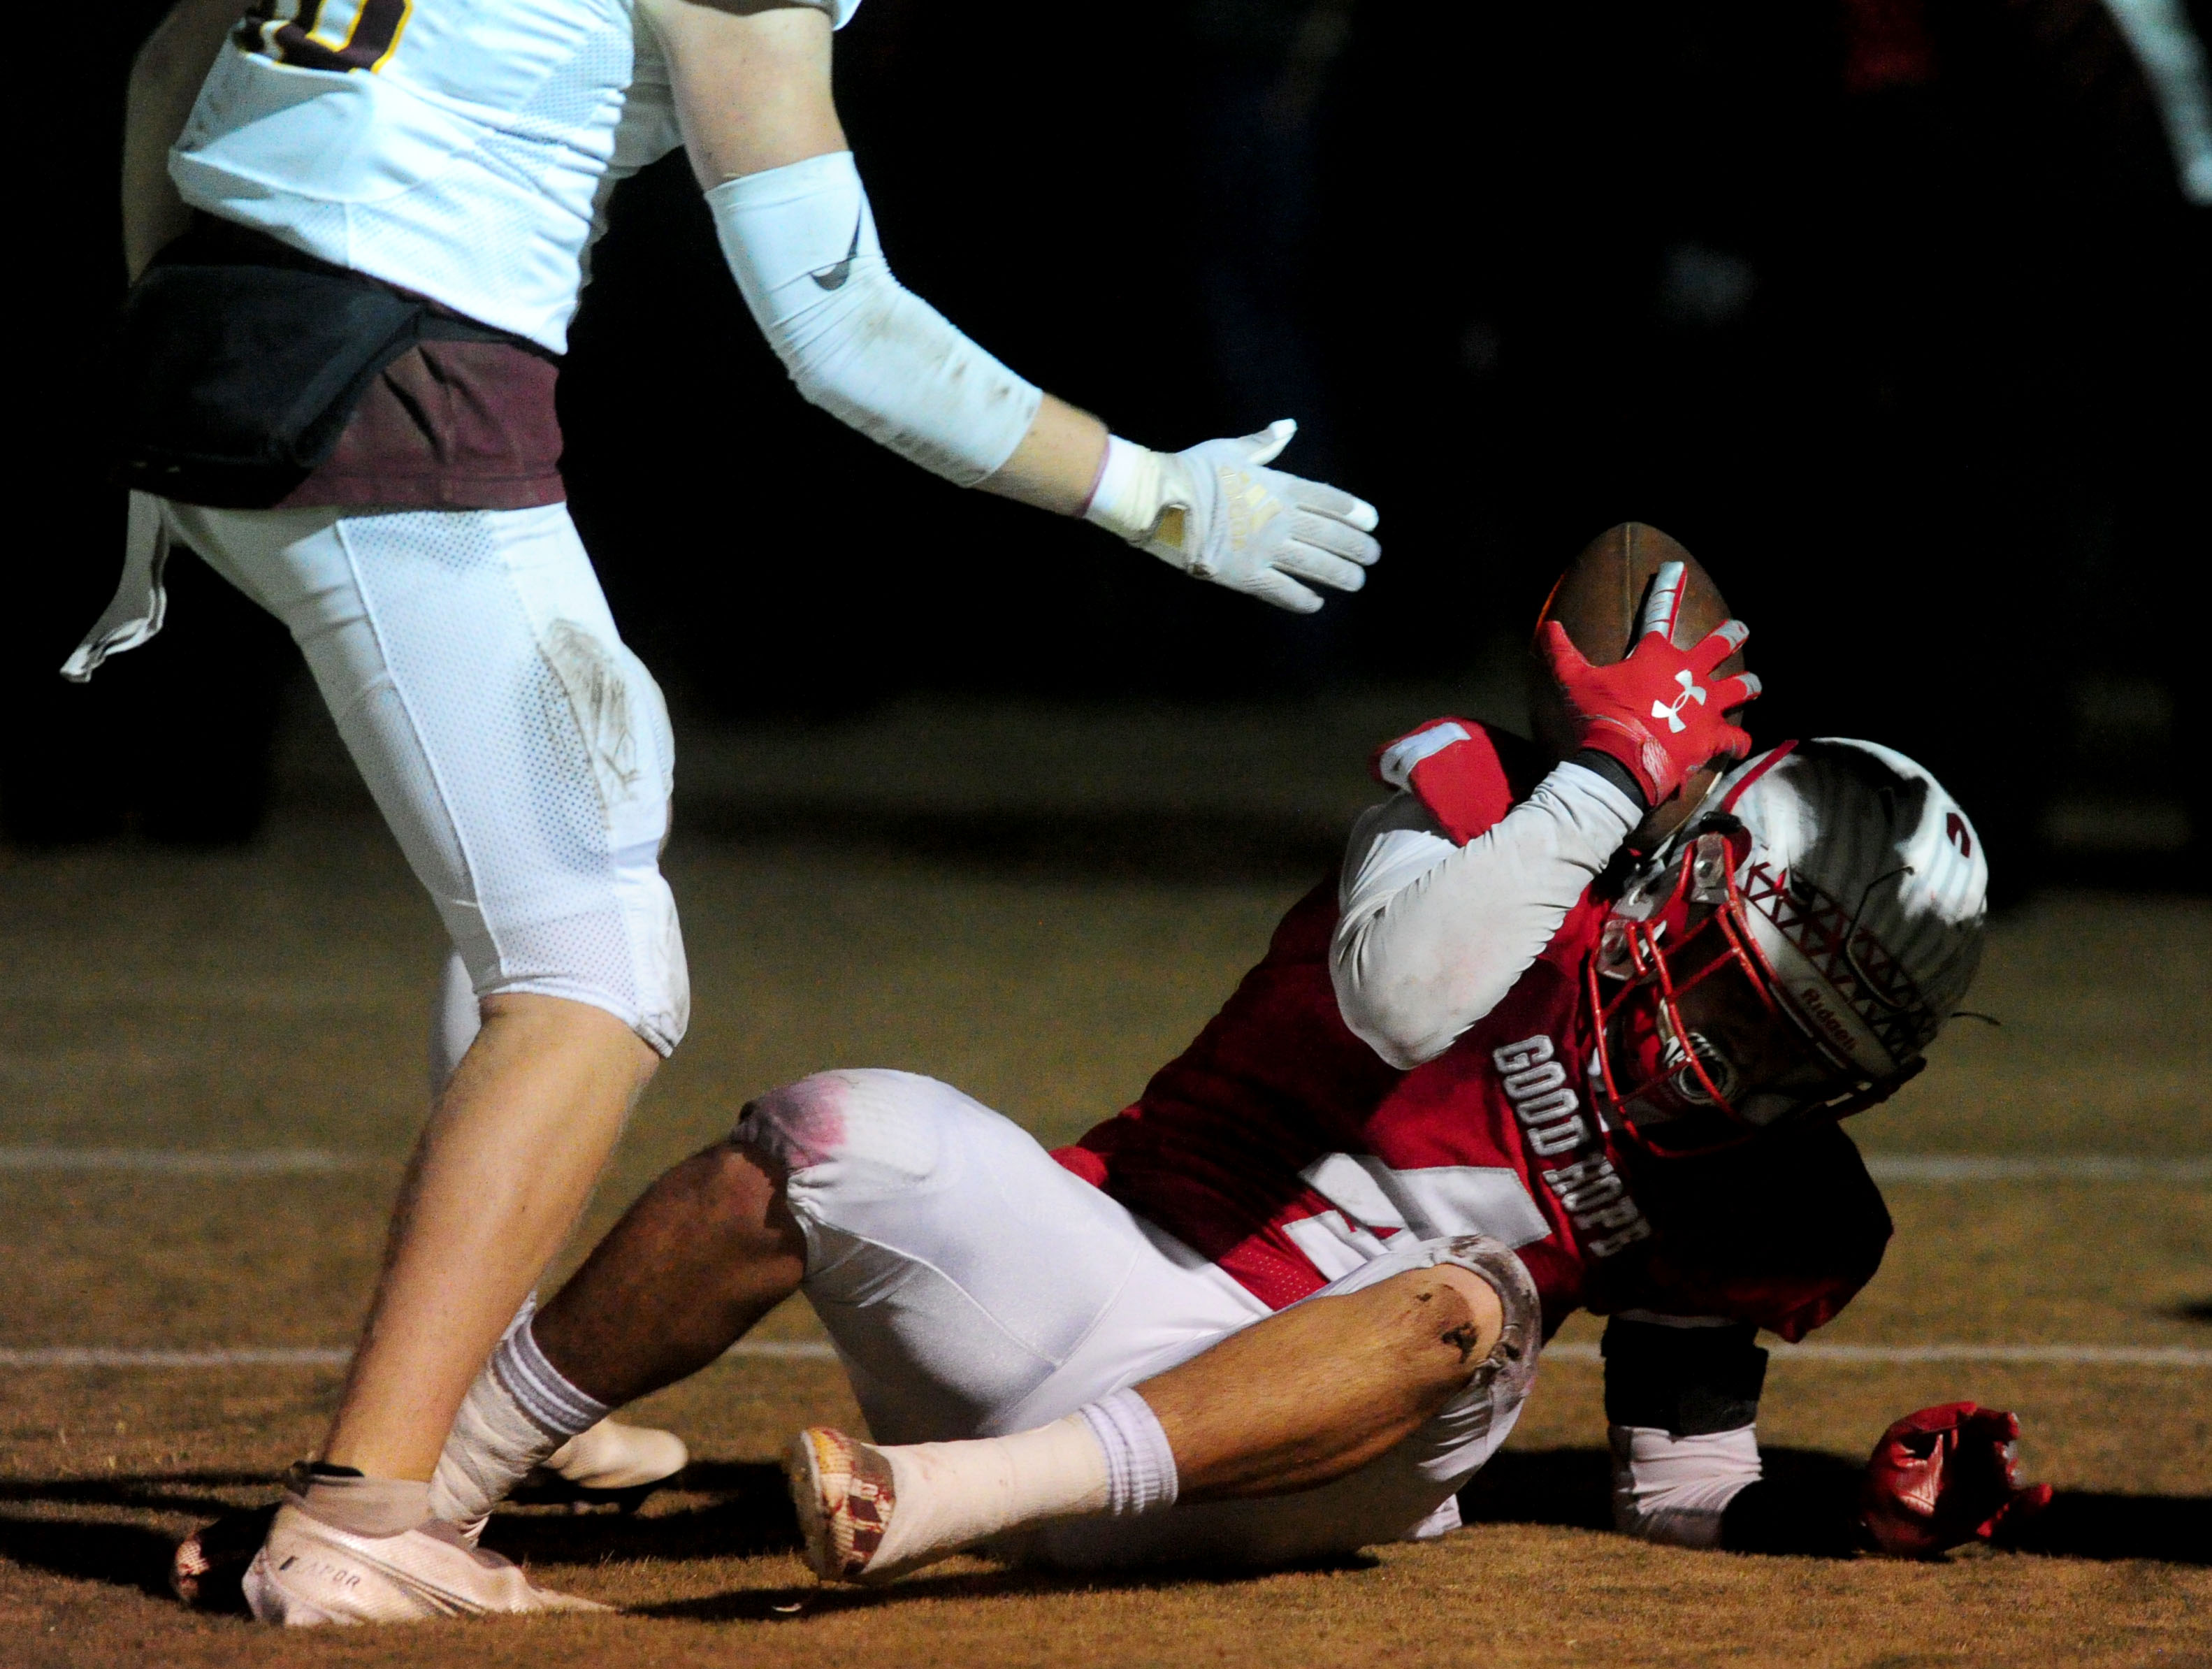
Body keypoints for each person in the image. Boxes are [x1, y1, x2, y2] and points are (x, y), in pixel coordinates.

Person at [94, 0, 1382, 1627]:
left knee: (586, 797)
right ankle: (363, 1516)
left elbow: (171, 60)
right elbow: (840, 329)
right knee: (593, 977)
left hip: (217, 330)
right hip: (387, 375)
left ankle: (485, 1389)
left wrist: (186, 340)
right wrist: (1159, 493)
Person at [196, 565, 2043, 1617]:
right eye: (1731, 995)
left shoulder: (1775, 1196)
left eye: (1793, 1058)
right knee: (825, 1133)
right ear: (1678, 871)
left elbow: (1678, 1480)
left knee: (1474, 1304)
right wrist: (1597, 780)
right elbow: (1403, 991)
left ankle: (941, 1501)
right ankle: (417, 1502)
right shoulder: (1493, 804)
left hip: (1308, 1467)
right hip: (1101, 1280)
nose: (1728, 1064)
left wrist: (1854, 1516)